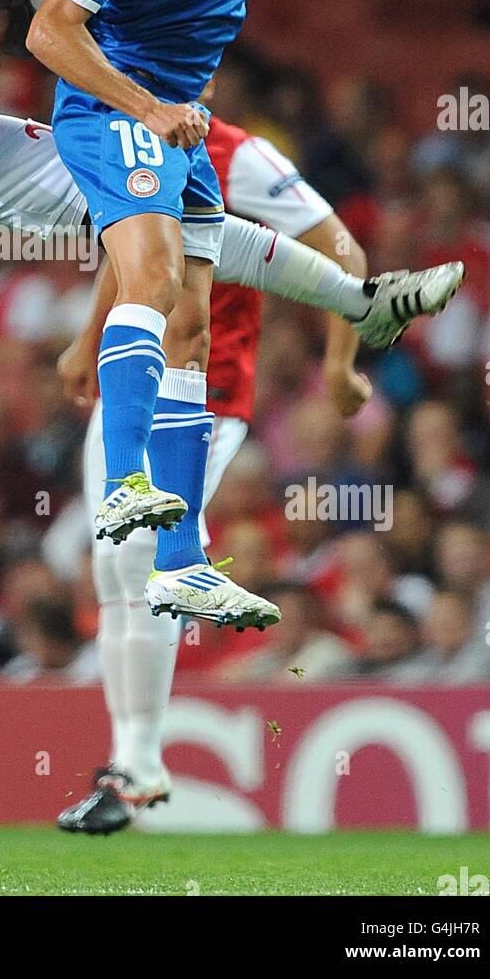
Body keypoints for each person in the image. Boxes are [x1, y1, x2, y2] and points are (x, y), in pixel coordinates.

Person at [27, 0, 462, 635]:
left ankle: (182, 563)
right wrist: (145, 107)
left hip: (174, 114)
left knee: (190, 326)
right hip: (117, 108)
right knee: (150, 285)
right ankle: (122, 486)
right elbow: (47, 31)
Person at [53, 111, 375, 831]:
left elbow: (342, 246)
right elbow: (130, 254)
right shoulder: (125, 133)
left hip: (206, 389)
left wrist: (339, 362)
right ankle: (129, 757)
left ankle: (136, 766)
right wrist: (84, 340)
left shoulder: (241, 155)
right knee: (112, 565)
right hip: (126, 383)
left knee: (138, 555)